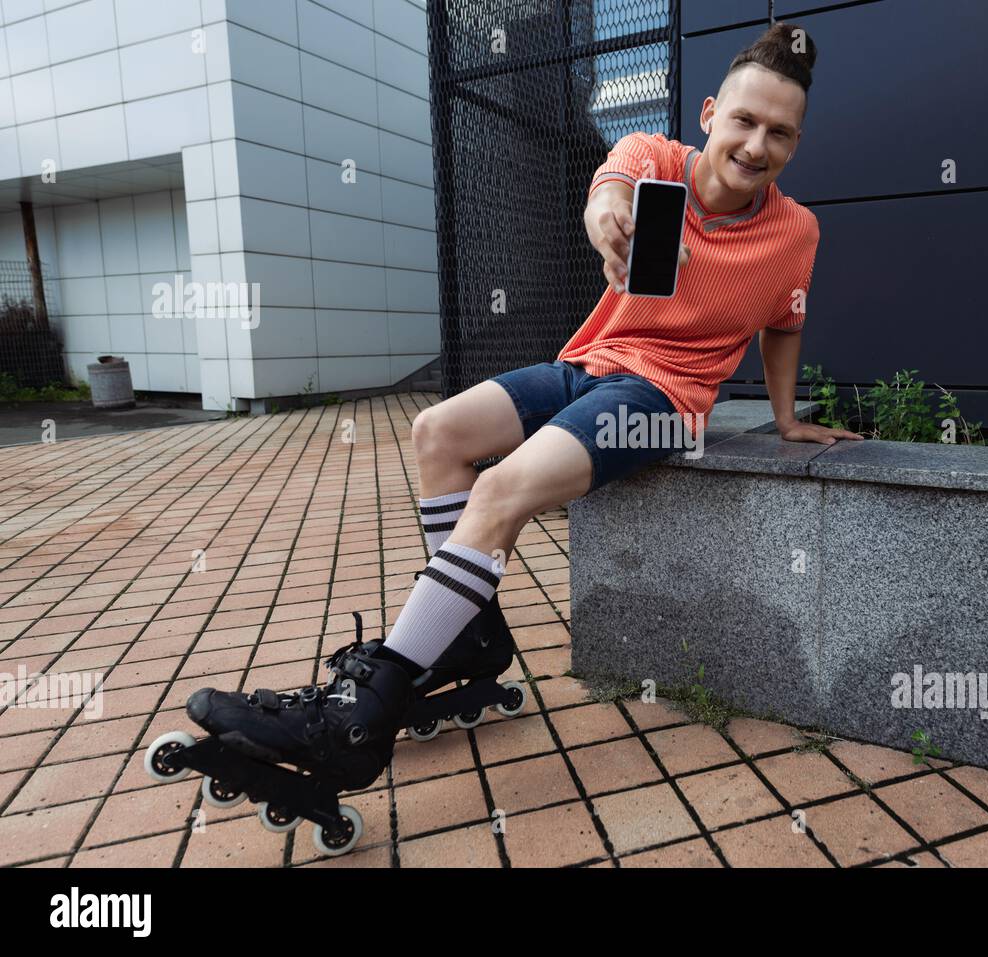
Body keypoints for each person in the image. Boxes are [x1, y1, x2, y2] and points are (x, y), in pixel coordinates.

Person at [185, 21, 860, 793]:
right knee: (437, 430)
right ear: (710, 113)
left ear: (795, 144)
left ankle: (360, 717)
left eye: (779, 133)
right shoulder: (652, 159)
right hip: (589, 363)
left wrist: (786, 420)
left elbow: (784, 324)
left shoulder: (796, 231)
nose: (755, 145)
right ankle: (466, 638)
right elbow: (608, 193)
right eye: (744, 120)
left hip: (661, 398)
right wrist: (609, 220)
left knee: (501, 489)